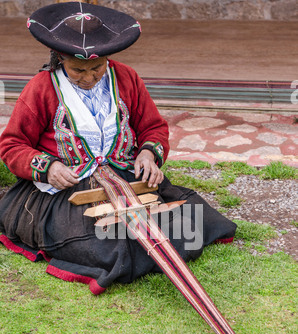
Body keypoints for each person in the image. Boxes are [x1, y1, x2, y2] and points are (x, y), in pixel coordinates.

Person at [0, 2, 236, 295]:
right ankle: (120, 255)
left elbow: (153, 127)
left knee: (194, 218)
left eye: (97, 67)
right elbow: (12, 145)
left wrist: (149, 154)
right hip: (69, 189)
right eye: (78, 70)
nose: (88, 78)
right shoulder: (41, 88)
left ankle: (138, 252)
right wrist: (49, 168)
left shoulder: (126, 78)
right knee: (104, 243)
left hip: (125, 177)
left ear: (108, 58)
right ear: (60, 59)